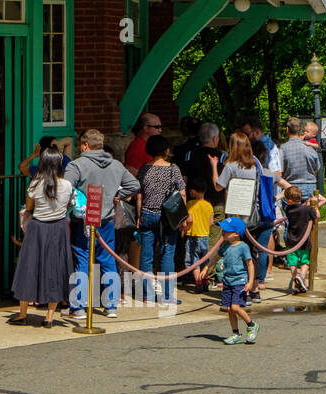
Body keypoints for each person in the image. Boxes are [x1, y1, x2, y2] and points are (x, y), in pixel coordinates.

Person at [65, 129, 140, 317]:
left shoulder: (77, 165)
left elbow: (66, 188)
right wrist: (117, 195)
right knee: (107, 261)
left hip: (82, 220)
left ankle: (78, 306)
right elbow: (134, 185)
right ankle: (111, 305)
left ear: (84, 145)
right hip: (106, 219)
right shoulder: (115, 165)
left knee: (82, 259)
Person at [8, 148, 73, 328]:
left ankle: (22, 314)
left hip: (37, 228)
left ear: (43, 163)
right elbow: (69, 205)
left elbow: (29, 208)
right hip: (58, 229)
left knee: (29, 268)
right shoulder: (67, 185)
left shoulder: (36, 184)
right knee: (55, 269)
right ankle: (50, 316)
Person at [213, 131, 275, 303]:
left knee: (237, 253)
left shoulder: (231, 166)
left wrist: (213, 167)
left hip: (236, 217)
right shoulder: (255, 166)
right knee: (251, 253)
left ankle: (242, 292)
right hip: (252, 216)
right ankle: (254, 289)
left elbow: (218, 186)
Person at [134, 134, 186, 304]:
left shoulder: (143, 169)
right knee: (167, 254)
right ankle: (167, 295)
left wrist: (139, 216)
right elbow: (182, 193)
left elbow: (139, 195)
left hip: (148, 214)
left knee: (147, 256)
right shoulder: (173, 169)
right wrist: (182, 217)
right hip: (168, 217)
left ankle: (147, 294)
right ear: (165, 150)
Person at [208, 217, 259, 344]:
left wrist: (250, 281)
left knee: (235, 307)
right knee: (229, 309)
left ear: (236, 234)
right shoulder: (225, 246)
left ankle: (251, 325)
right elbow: (215, 258)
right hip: (227, 281)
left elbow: (250, 264)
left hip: (239, 281)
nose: (223, 232)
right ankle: (235, 334)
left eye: (226, 231)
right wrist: (206, 268)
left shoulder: (243, 247)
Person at [280, 185, 324, 293]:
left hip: (290, 241)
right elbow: (317, 215)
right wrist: (315, 206)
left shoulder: (288, 209)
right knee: (305, 262)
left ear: (289, 200)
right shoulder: (308, 210)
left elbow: (300, 208)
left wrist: (309, 203)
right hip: (303, 241)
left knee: (293, 263)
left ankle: (296, 281)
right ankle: (302, 276)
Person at [278, 116, 322, 200]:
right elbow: (317, 168)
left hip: (290, 188)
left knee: (291, 213)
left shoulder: (282, 149)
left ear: (287, 129)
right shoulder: (310, 147)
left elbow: (279, 171)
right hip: (310, 188)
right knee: (309, 212)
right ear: (300, 130)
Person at [185, 185, 214, 293]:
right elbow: (211, 222)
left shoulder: (190, 204)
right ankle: (205, 282)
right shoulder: (209, 205)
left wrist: (185, 230)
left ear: (192, 191)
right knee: (204, 261)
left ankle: (198, 283)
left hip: (193, 237)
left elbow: (190, 220)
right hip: (205, 236)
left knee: (194, 261)